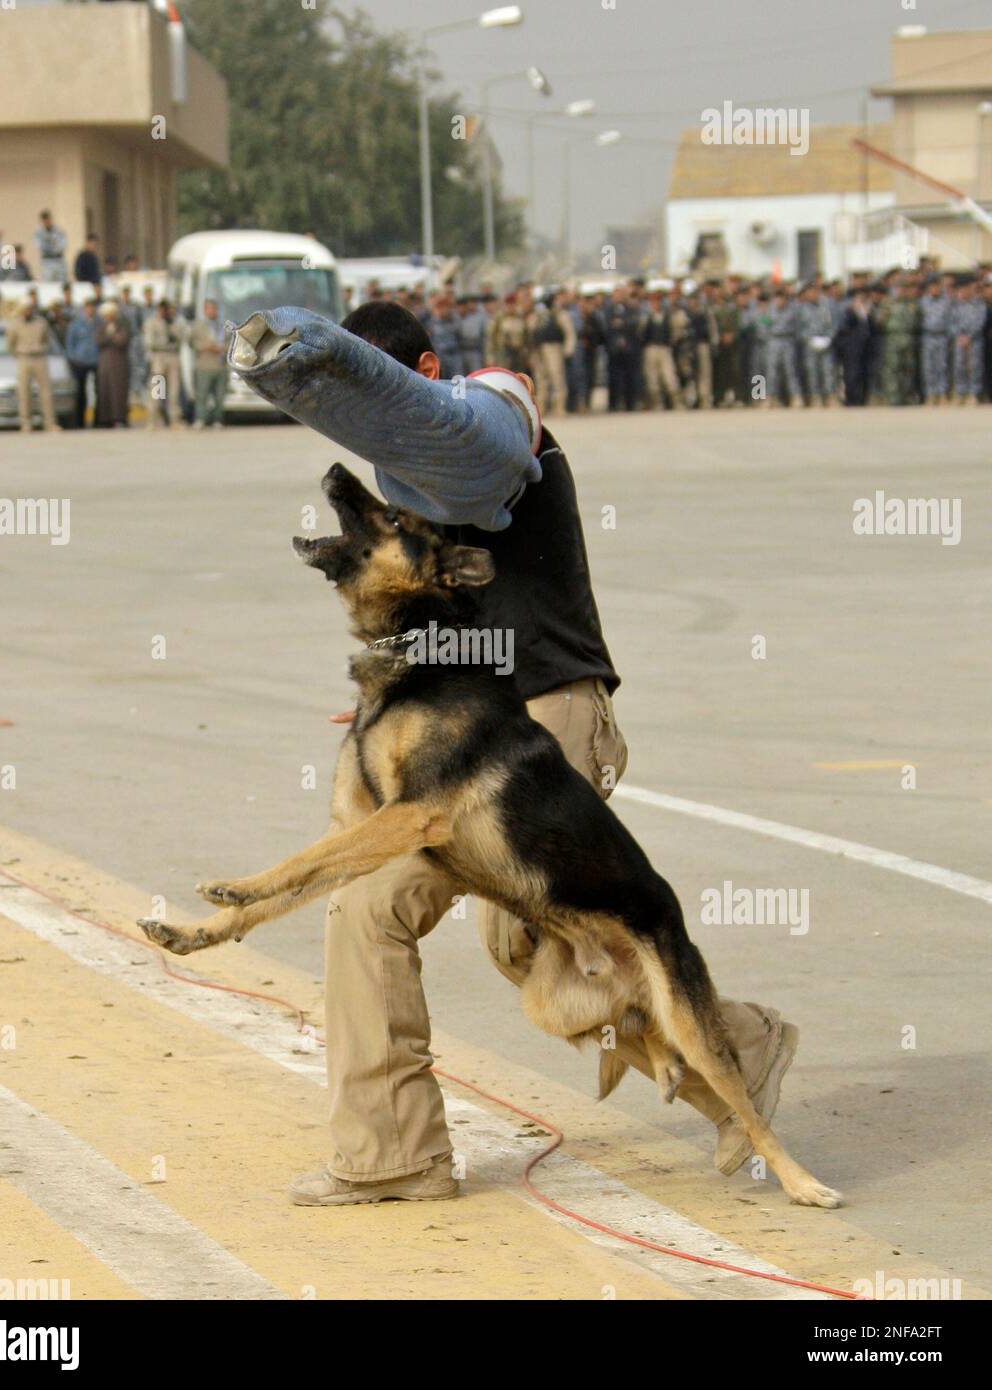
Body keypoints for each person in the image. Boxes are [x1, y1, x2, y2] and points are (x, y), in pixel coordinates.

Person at [225, 299, 800, 1205]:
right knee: (370, 911)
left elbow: (493, 420)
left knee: (544, 950)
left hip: (550, 715)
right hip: (458, 729)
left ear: (423, 365)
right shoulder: (403, 474)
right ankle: (394, 1156)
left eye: (383, 387)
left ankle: (737, 1048)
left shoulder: (492, 412)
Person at [6, 299, 59, 432]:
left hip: (39, 358)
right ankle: (26, 423)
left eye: (30, 308)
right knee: (24, 392)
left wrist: (40, 348)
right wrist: (18, 354)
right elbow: (10, 343)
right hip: (24, 358)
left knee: (46, 392)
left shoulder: (41, 323)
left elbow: (46, 339)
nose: (28, 311)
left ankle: (49, 423)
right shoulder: (15, 324)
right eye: (25, 308)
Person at [143, 299, 185, 429]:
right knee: (157, 390)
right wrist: (165, 342)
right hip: (159, 357)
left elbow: (182, 338)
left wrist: (172, 327)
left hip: (172, 357)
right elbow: (149, 342)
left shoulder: (175, 322)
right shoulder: (152, 322)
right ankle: (153, 419)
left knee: (174, 390)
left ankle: (174, 419)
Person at [797, 282, 837, 407]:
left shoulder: (827, 306)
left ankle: (830, 397)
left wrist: (829, 338)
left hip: (826, 342)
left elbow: (834, 324)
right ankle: (816, 398)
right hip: (810, 344)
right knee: (812, 372)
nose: (812, 294)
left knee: (828, 371)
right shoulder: (801, 308)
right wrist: (808, 339)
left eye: (814, 292)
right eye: (809, 292)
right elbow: (798, 327)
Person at [949, 276, 987, 406]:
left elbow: (980, 322)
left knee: (975, 366)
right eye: (962, 289)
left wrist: (969, 336)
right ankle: (961, 393)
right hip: (959, 340)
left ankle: (974, 393)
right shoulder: (955, 305)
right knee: (959, 366)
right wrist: (959, 335)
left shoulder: (979, 304)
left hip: (974, 340)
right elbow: (951, 322)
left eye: (967, 288)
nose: (964, 291)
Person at [189, 298, 227, 428]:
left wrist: (222, 347)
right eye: (210, 309)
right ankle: (200, 419)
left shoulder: (223, 326)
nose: (212, 311)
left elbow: (231, 343)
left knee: (219, 395)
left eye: (214, 309)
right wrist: (203, 346)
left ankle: (217, 419)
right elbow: (191, 342)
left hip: (220, 365)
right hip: (204, 365)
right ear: (205, 310)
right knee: (202, 395)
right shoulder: (198, 326)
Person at [834, 288, 873, 407]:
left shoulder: (866, 310)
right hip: (851, 348)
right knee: (851, 374)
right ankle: (851, 399)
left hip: (865, 347)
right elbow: (842, 328)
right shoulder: (847, 311)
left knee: (864, 373)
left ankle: (862, 398)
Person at [94, 301, 131, 427]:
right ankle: (105, 419)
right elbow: (99, 341)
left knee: (119, 392)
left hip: (119, 363)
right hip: (105, 363)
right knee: (105, 391)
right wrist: (111, 337)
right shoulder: (101, 327)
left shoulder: (122, 326)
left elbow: (122, 340)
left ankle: (119, 417)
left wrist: (111, 338)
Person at [65, 300, 99, 428]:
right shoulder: (76, 324)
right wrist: (73, 358)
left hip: (96, 360)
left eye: (92, 308)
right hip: (80, 361)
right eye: (88, 308)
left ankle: (98, 421)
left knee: (98, 392)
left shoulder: (98, 323)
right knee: (80, 392)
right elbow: (70, 343)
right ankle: (80, 421)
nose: (90, 310)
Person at [765, 287, 800, 406]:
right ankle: (770, 397)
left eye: (782, 298)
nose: (780, 300)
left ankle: (795, 397)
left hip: (787, 340)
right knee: (771, 371)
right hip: (773, 341)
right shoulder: (769, 309)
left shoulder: (792, 310)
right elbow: (763, 324)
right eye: (778, 297)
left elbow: (797, 326)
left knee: (790, 370)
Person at [919, 276, 951, 406]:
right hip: (928, 337)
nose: (934, 289)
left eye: (937, 286)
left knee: (942, 366)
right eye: (931, 286)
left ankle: (942, 394)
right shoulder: (923, 302)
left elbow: (951, 319)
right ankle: (930, 394)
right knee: (929, 367)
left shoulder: (947, 301)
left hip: (942, 336)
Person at [34, 211, 68, 283]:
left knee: (61, 281)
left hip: (58, 259)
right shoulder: (39, 232)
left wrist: (55, 247)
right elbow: (38, 245)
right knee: (48, 282)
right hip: (47, 260)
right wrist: (49, 244)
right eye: (44, 220)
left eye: (47, 219)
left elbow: (63, 244)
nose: (46, 222)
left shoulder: (59, 231)